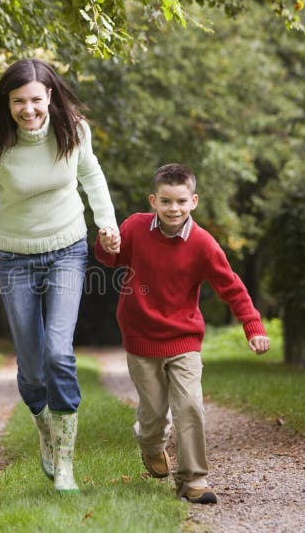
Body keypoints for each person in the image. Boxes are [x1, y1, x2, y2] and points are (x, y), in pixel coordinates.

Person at [0, 58, 120, 493]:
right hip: (13, 255)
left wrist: (107, 222)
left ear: (50, 97)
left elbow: (91, 175)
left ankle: (65, 464)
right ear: (7, 103)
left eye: (36, 100)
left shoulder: (74, 131)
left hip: (67, 248)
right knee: (30, 367)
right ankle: (44, 425)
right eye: (18, 101)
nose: (28, 110)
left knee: (59, 354)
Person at [94, 163, 270, 504]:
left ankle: (194, 481)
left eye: (180, 201)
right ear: (153, 201)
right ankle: (152, 446)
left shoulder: (203, 244)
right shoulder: (135, 227)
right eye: (166, 201)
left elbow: (231, 286)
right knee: (153, 415)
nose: (173, 209)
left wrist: (253, 326)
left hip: (183, 340)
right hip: (141, 338)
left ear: (193, 201)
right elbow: (110, 258)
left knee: (190, 405)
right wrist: (106, 242)